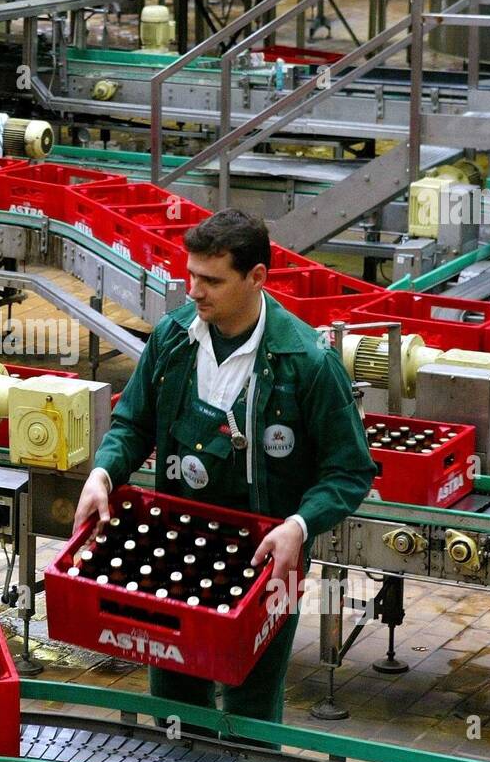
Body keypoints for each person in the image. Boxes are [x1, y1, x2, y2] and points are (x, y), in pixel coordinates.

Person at [71, 209, 375, 734]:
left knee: (252, 713)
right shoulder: (172, 341)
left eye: (211, 280)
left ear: (257, 277)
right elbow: (132, 423)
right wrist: (103, 473)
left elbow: (349, 471)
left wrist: (298, 527)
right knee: (174, 699)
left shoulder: (306, 361)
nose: (194, 291)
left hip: (266, 561)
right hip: (174, 546)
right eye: (191, 275)